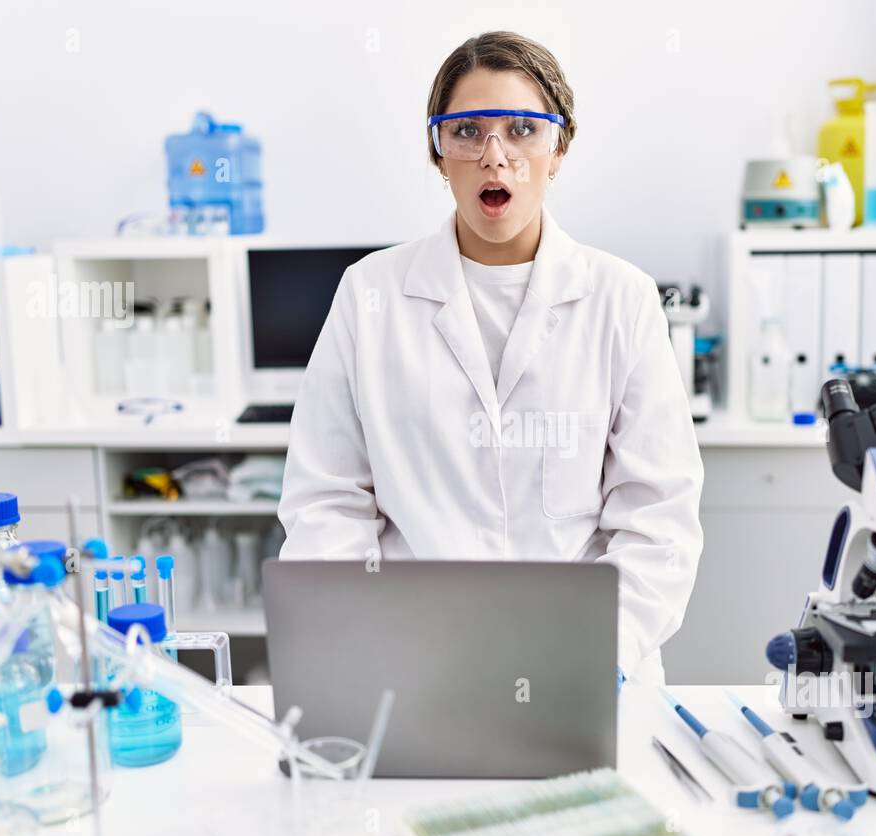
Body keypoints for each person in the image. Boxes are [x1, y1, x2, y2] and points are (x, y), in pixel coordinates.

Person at [279, 31, 703, 684]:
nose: (495, 157)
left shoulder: (622, 298)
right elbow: (326, 503)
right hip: (413, 658)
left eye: (523, 130)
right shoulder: (370, 294)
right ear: (438, 151)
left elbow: (657, 520)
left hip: (584, 659)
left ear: (558, 148)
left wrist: (600, 652)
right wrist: (358, 640)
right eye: (468, 131)